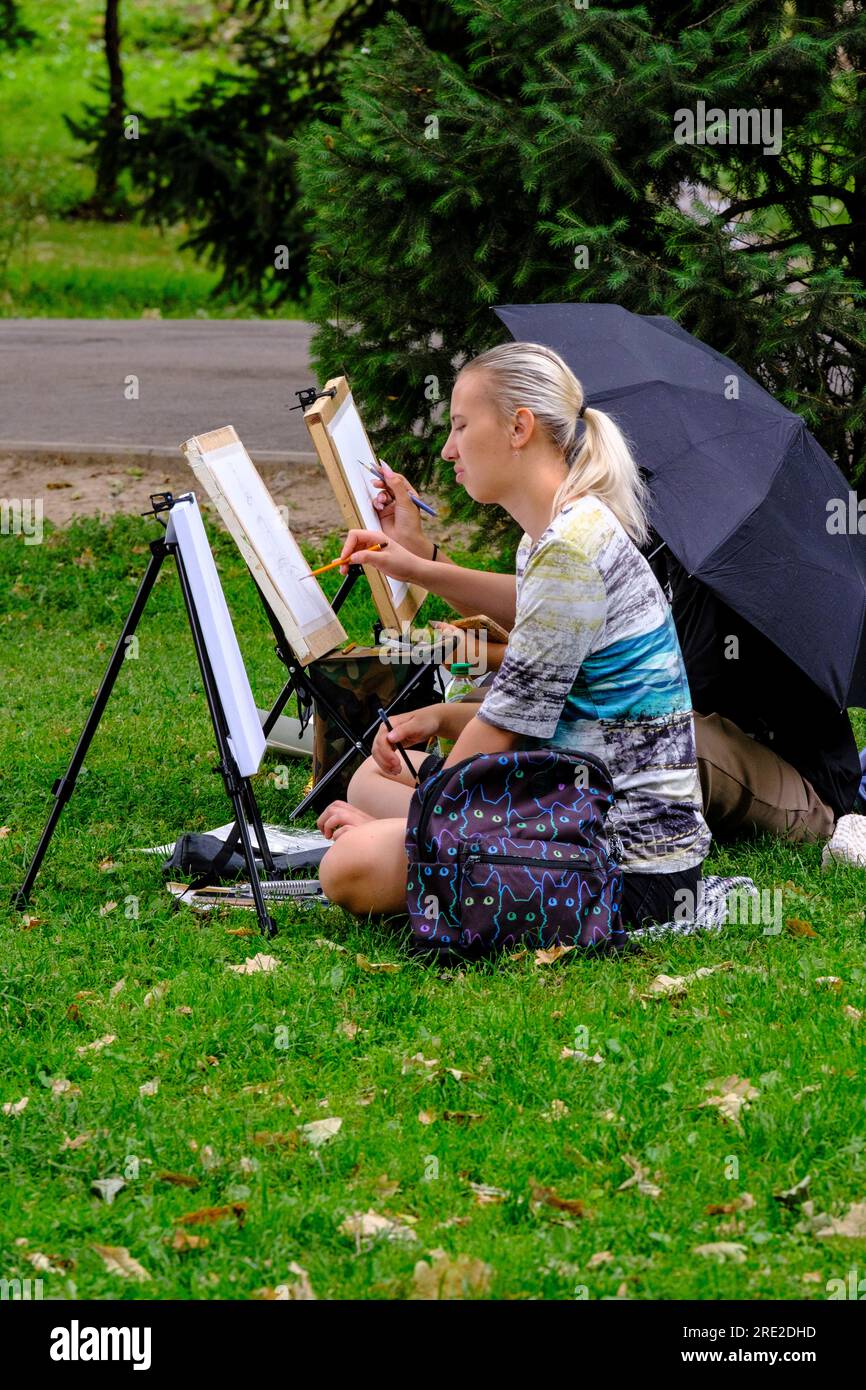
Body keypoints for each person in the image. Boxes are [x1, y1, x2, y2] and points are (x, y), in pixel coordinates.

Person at [316, 341, 711, 934]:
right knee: (374, 778)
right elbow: (529, 606)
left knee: (346, 866)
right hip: (568, 806)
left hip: (620, 865)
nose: (450, 450)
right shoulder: (560, 531)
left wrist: (419, 826)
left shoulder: (568, 551)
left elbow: (503, 729)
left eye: (460, 426)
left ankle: (404, 843)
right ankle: (407, 837)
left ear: (519, 427)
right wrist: (415, 566)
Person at [645, 536, 861, 843]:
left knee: (666, 735)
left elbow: (696, 686)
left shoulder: (751, 574)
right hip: (729, 744)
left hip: (810, 793)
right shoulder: (678, 561)